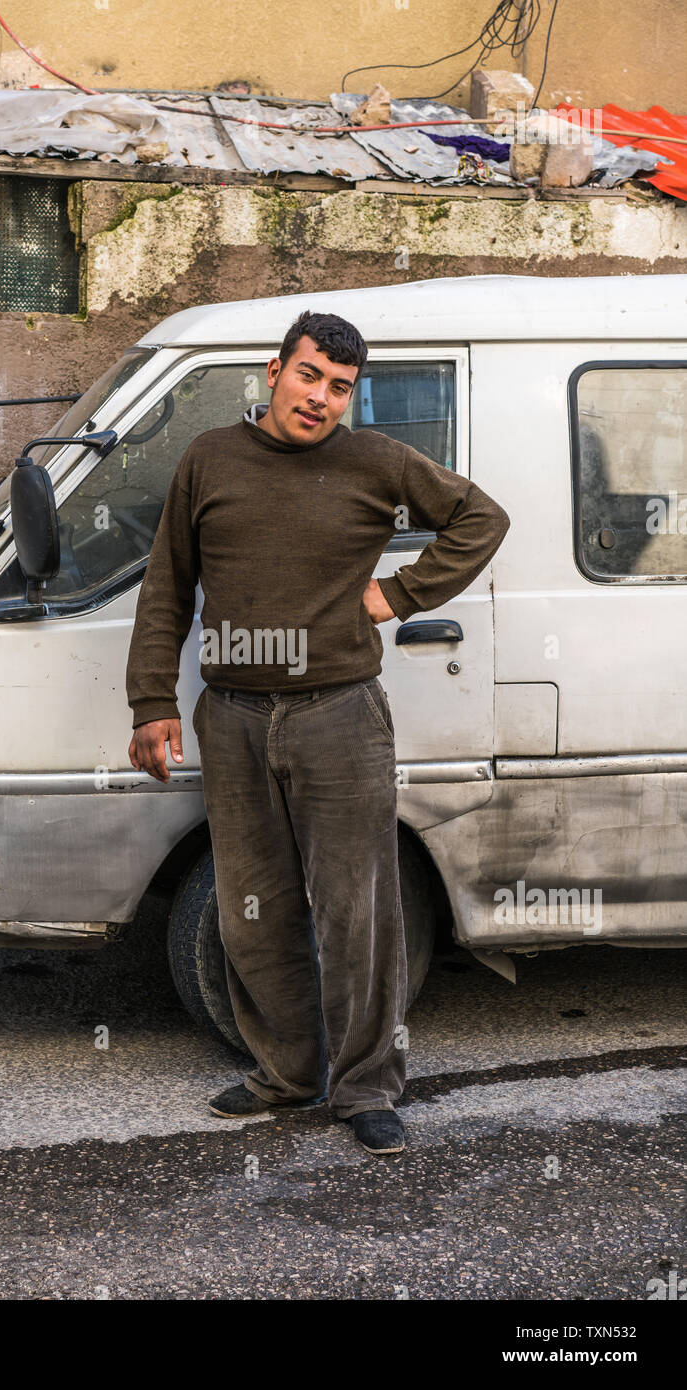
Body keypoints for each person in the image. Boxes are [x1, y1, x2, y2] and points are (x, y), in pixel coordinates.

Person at [126, 309, 510, 1154]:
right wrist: (151, 702)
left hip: (339, 714)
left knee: (356, 910)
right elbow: (167, 584)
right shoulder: (208, 459)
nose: (321, 399)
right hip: (230, 717)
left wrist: (398, 594)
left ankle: (366, 1087)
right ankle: (287, 1076)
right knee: (252, 909)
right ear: (274, 372)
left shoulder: (375, 460)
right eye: (309, 377)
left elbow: (480, 519)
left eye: (339, 387)